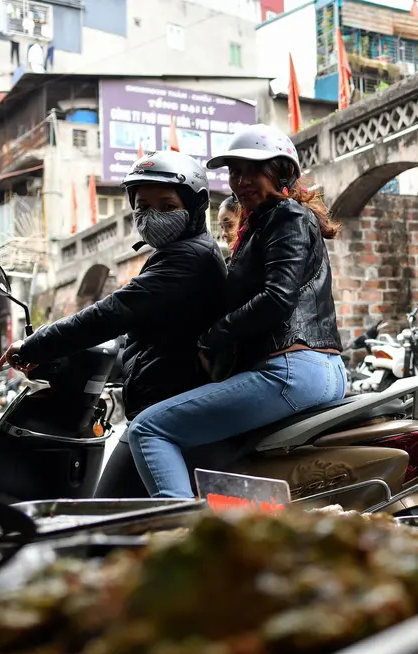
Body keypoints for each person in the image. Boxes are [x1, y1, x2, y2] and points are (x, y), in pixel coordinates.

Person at [126, 124, 347, 498]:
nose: (241, 181)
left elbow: (277, 298)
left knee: (148, 429)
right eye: (234, 172)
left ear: (282, 172)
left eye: (253, 170)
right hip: (316, 371)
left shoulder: (286, 215)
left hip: (290, 370)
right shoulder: (264, 224)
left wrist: (211, 338)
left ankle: (183, 534)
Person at [0, 151, 227, 496]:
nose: (152, 217)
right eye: (143, 206)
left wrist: (35, 344)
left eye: (166, 206)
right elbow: (151, 341)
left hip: (166, 411)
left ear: (195, 206)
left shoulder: (188, 257)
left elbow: (111, 313)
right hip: (157, 403)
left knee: (109, 513)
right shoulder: (179, 253)